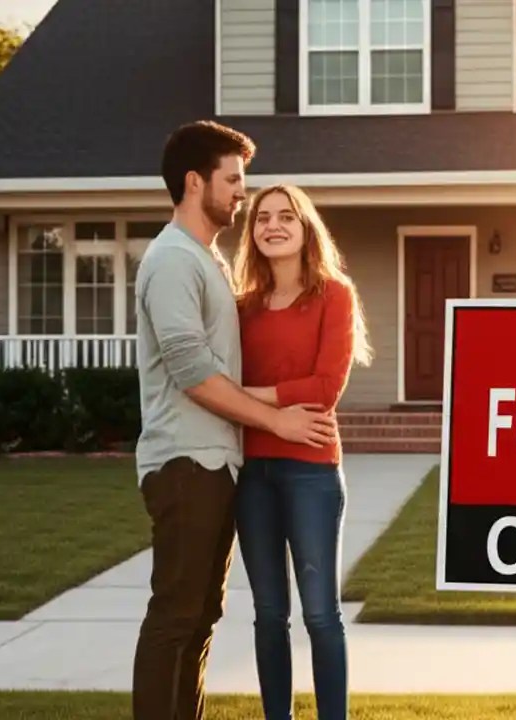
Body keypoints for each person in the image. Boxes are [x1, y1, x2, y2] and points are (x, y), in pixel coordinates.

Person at [132, 122, 338, 720]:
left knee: (199, 616)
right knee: (175, 616)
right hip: (184, 463)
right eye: (233, 180)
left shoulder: (207, 259)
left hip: (216, 464)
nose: (241, 194)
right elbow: (191, 369)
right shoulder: (173, 259)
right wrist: (279, 422)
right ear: (196, 183)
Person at [231, 184, 373, 720]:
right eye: (262, 217)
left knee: (320, 615)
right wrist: (271, 414)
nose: (272, 225)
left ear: (305, 226)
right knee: (269, 614)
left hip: (311, 471)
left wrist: (248, 396)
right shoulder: (240, 307)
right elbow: (219, 379)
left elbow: (324, 388)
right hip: (251, 474)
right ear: (253, 234)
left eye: (285, 216)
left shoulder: (334, 295)